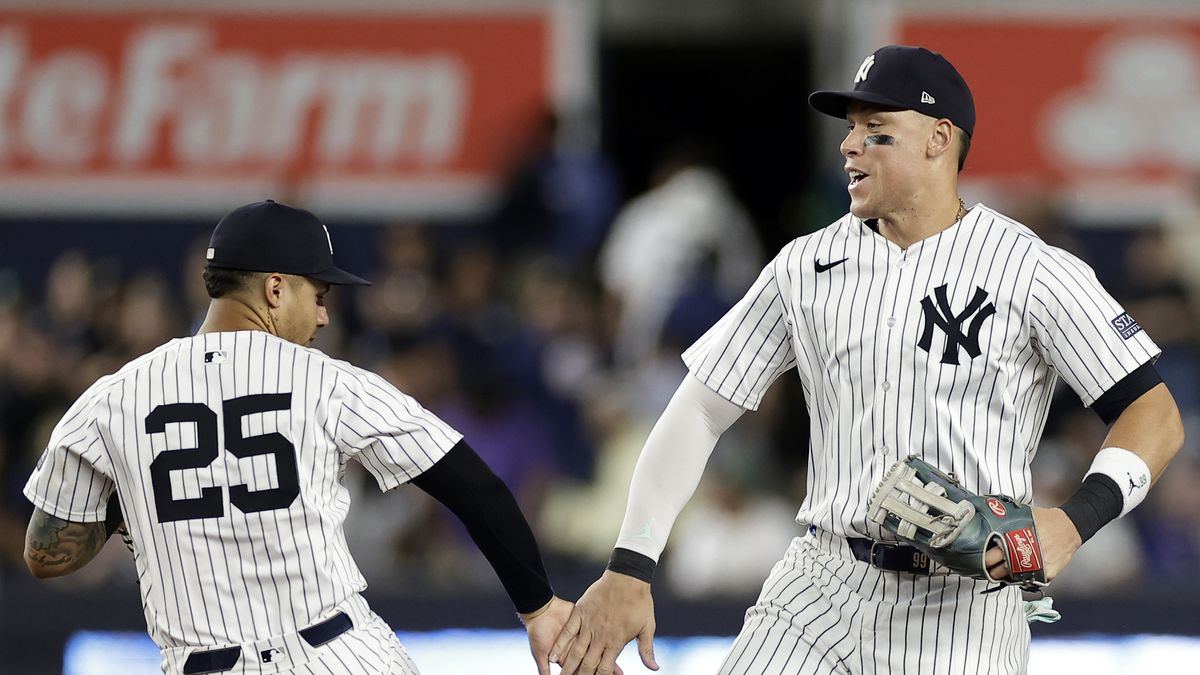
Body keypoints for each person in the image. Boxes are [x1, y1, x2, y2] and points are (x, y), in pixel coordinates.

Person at [549, 45, 1185, 675]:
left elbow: (1153, 413)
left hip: (962, 610)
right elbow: (699, 410)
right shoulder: (805, 264)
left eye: (876, 132)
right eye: (850, 129)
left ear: (940, 139)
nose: (850, 146)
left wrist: (1076, 521)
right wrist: (630, 566)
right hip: (821, 583)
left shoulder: (1031, 269)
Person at [22, 199, 572, 675]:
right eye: (320, 293)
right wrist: (539, 608)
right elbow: (476, 487)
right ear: (276, 288)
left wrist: (133, 505)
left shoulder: (111, 399)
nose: (326, 316)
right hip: (337, 653)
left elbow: (46, 554)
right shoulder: (324, 380)